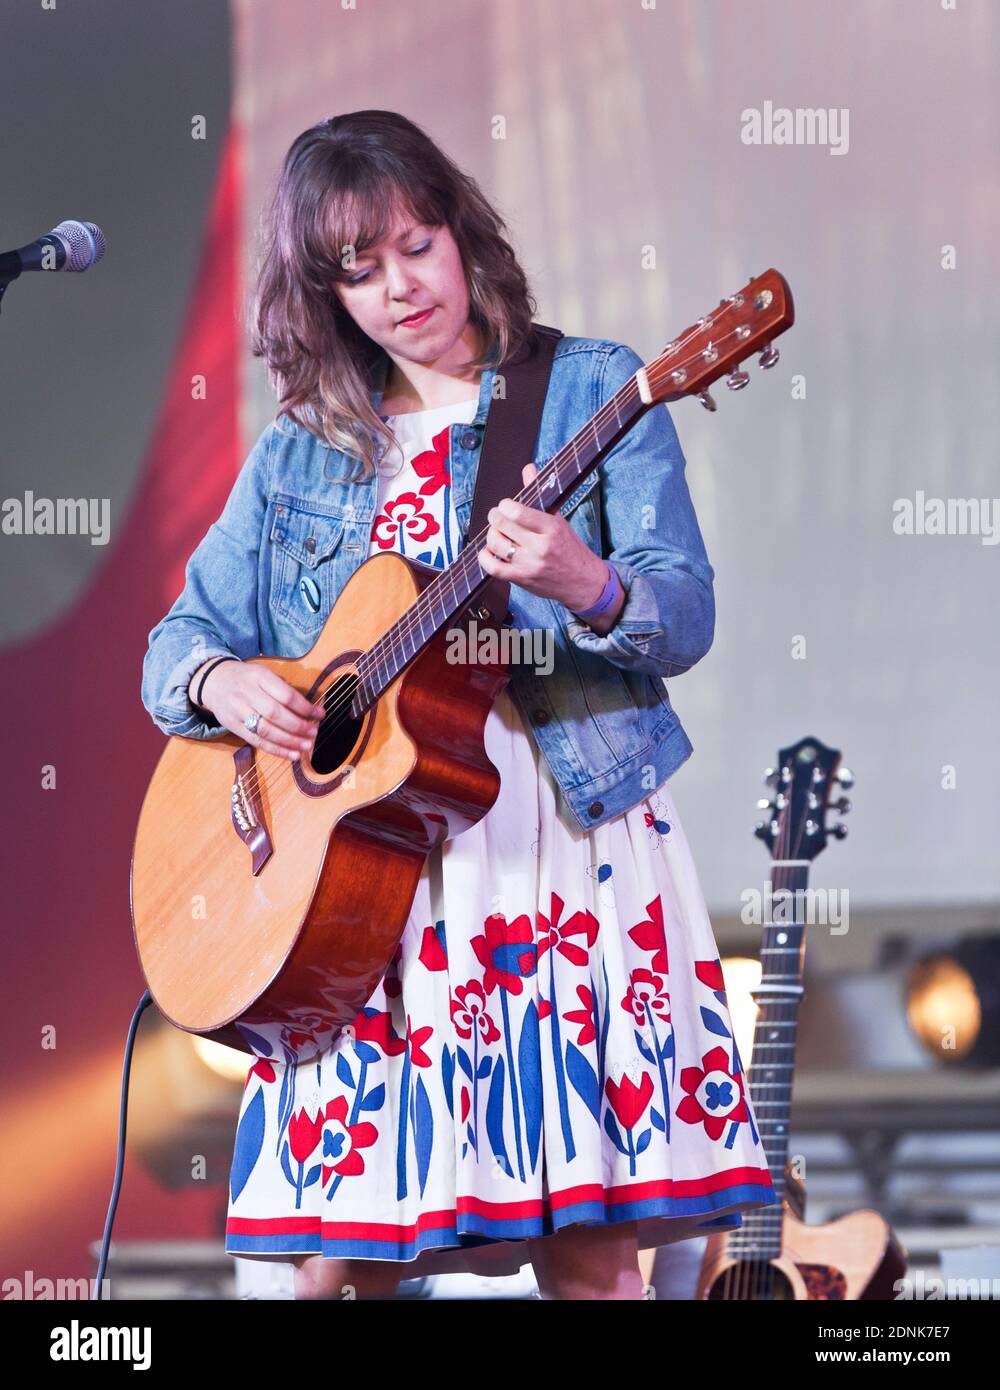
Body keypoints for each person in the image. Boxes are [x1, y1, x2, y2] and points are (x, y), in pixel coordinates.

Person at [141, 109, 777, 1300]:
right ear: (323, 295)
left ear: (461, 231)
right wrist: (224, 681)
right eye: (358, 271)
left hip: (560, 862)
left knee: (592, 1258)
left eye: (414, 246)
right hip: (358, 896)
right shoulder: (302, 451)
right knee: (336, 1270)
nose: (398, 289)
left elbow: (681, 616)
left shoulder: (589, 387)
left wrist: (582, 580)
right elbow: (176, 645)